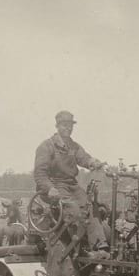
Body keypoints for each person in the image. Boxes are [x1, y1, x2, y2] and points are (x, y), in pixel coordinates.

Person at [33, 110, 110, 257]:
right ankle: (79, 249)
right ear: (57, 126)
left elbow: (84, 158)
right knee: (74, 209)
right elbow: (39, 173)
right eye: (64, 125)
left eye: (70, 125)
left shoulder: (73, 146)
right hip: (55, 185)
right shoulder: (46, 146)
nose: (68, 128)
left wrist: (93, 162)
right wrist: (49, 188)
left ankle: (100, 246)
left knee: (91, 207)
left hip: (71, 185)